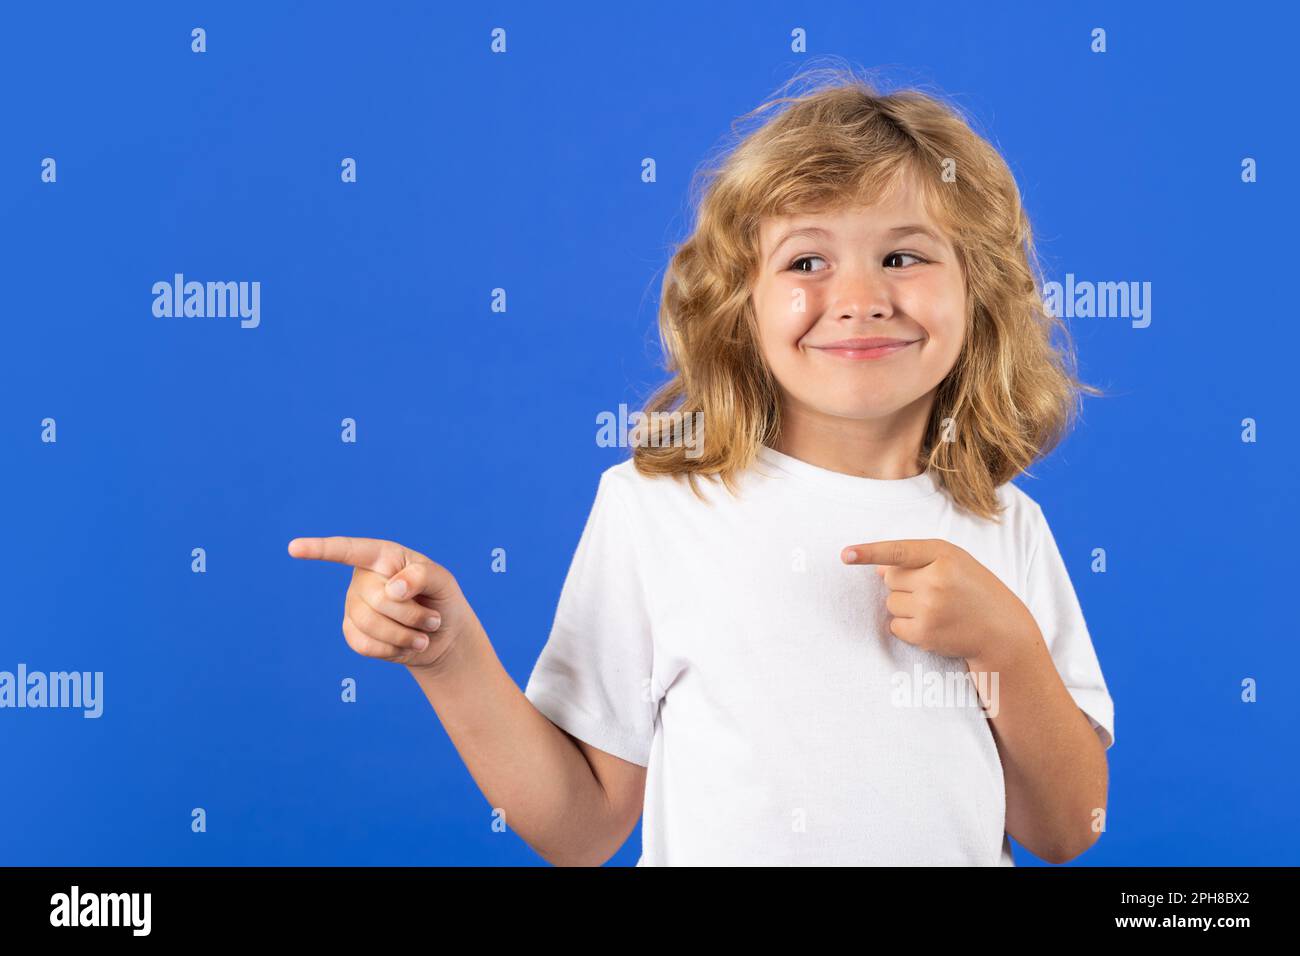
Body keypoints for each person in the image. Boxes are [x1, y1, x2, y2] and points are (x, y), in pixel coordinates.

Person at [289, 66, 1115, 867]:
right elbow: (578, 832)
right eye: (806, 262)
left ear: (980, 294)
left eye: (904, 257)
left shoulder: (1006, 528)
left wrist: (1007, 649)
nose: (861, 296)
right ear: (738, 305)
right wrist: (449, 654)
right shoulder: (656, 510)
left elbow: (1069, 829)